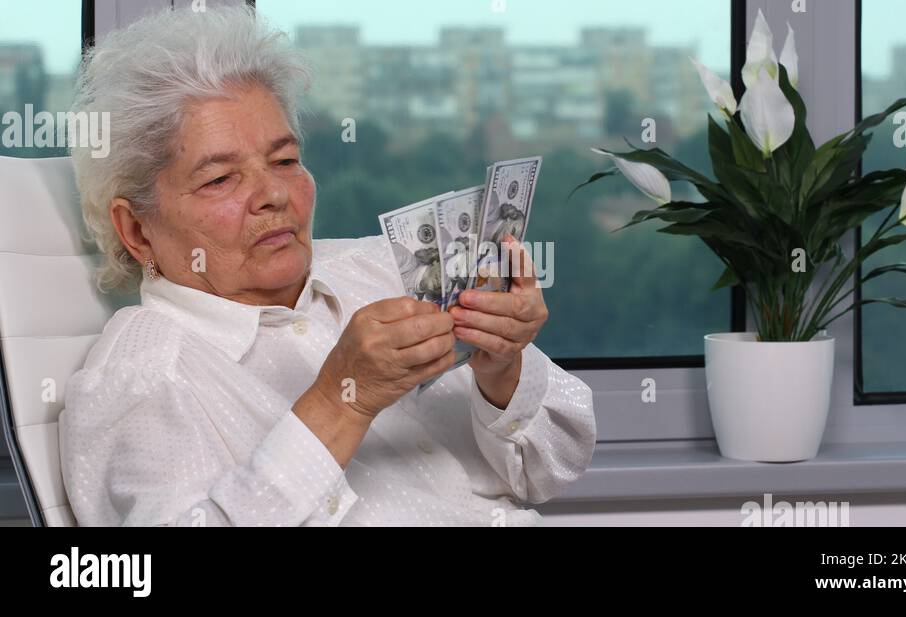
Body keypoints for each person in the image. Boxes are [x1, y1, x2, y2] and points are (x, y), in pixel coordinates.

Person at [59, 5, 596, 526]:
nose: (273, 193)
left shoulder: (381, 267)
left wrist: (501, 368)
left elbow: (548, 470)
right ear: (136, 229)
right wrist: (343, 400)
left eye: (285, 160)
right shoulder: (142, 376)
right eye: (220, 179)